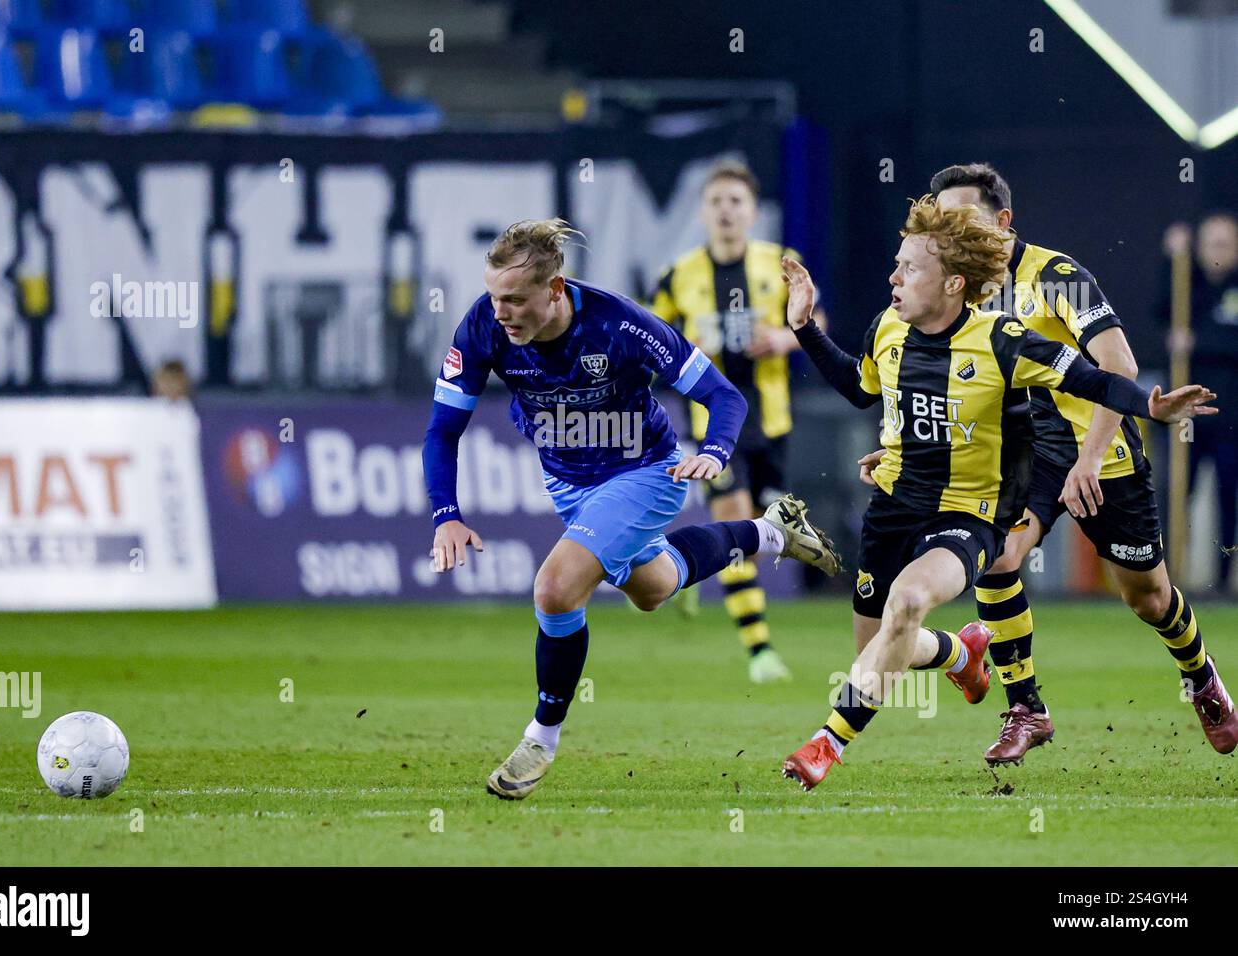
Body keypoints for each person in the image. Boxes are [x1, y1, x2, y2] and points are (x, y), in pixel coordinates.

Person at [778, 195, 1221, 791]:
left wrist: (1136, 416)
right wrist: (808, 331)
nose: (895, 275)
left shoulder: (1044, 294)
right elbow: (872, 392)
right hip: (962, 480)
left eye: (910, 264)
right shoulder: (894, 326)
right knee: (921, 614)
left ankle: (1199, 678)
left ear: (994, 229)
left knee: (1145, 597)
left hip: (1076, 459)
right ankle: (992, 680)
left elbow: (1102, 371)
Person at [423, 218, 841, 801]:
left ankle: (540, 737)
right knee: (652, 588)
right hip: (569, 485)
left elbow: (723, 395)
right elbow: (443, 431)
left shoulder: (620, 324)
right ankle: (768, 534)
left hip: (647, 472)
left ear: (555, 289)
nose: (502, 312)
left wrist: (716, 451)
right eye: (495, 297)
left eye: (515, 299)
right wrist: (446, 513)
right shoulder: (482, 326)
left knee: (554, 588)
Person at [923, 165, 1237, 764]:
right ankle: (1026, 709)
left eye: (961, 216)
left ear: (1003, 221)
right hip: (1023, 452)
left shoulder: (1060, 276)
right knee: (998, 553)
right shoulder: (956, 287)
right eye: (943, 219)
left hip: (1100, 446)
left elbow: (1119, 367)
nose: (949, 229)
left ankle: (1201, 677)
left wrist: (1088, 462)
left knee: (1146, 597)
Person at [650, 160, 810, 683]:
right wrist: (682, 357)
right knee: (740, 515)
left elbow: (815, 322)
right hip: (714, 426)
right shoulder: (678, 277)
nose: (726, 210)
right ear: (702, 212)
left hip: (772, 421)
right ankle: (760, 651)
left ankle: (688, 563)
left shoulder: (780, 265)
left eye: (735, 201)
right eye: (716, 201)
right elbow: (650, 342)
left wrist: (785, 339)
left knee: (762, 533)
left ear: (753, 212)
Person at [1159, 211, 1238, 593]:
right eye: (1210, 244)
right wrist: (1170, 259)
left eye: (1225, 244)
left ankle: (1223, 581)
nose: (1217, 252)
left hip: (1230, 417)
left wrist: (1198, 343)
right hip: (1186, 416)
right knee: (1174, 492)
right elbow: (1161, 313)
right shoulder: (1187, 282)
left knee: (1228, 496)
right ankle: (1166, 576)